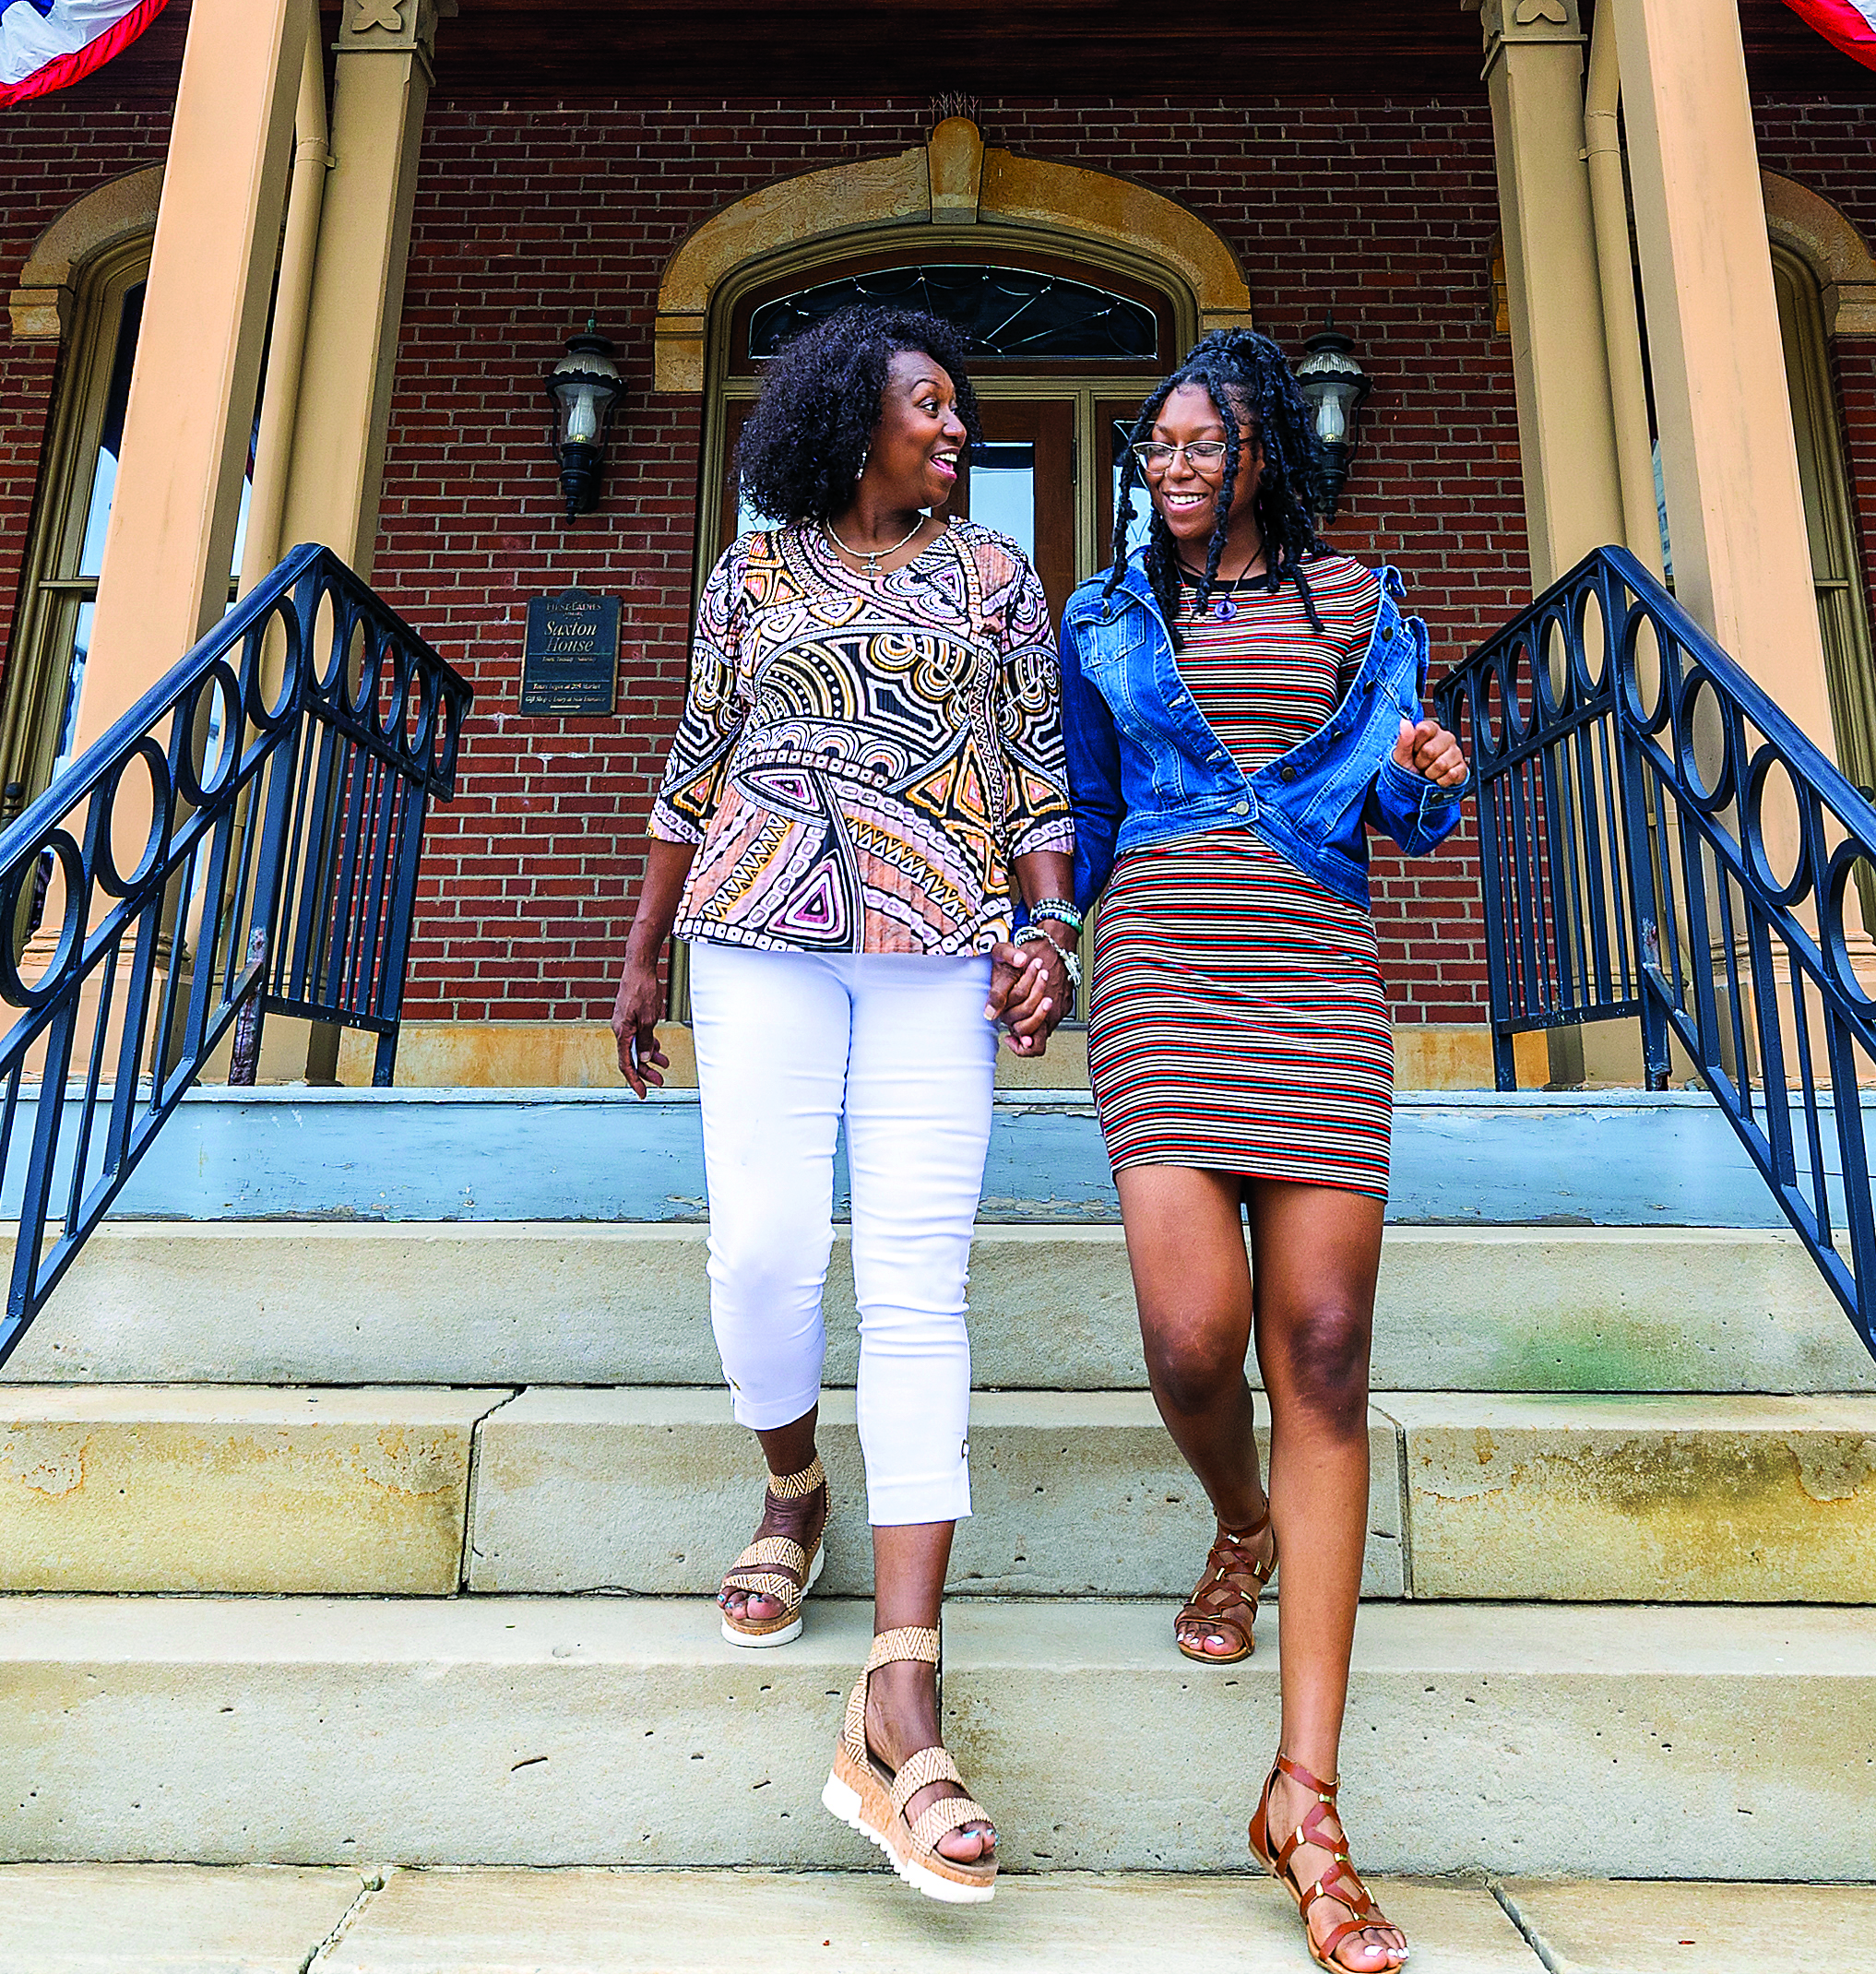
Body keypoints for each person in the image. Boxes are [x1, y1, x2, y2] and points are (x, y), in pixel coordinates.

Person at [613, 301, 1075, 1906]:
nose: (957, 432)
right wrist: (639, 952)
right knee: (756, 1251)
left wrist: (1049, 929)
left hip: (941, 943)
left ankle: (900, 1687)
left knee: (916, 1289)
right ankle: (792, 1483)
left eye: (961, 412)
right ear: (847, 420)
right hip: (758, 932)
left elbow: (1035, 773)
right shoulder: (748, 573)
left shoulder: (1000, 578)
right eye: (930, 408)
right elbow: (693, 762)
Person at [1055, 327, 1468, 1974]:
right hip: (1160, 969)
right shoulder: (1101, 618)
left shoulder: (1364, 609)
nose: (1165, 463)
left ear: (1262, 455)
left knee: (1322, 1346)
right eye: (1150, 444)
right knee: (1192, 1340)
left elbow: (1405, 805)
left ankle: (1307, 1799)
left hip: (1314, 970)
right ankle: (1240, 1517)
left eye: (1194, 441)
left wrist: (1433, 772)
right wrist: (1034, 932)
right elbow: (1084, 821)